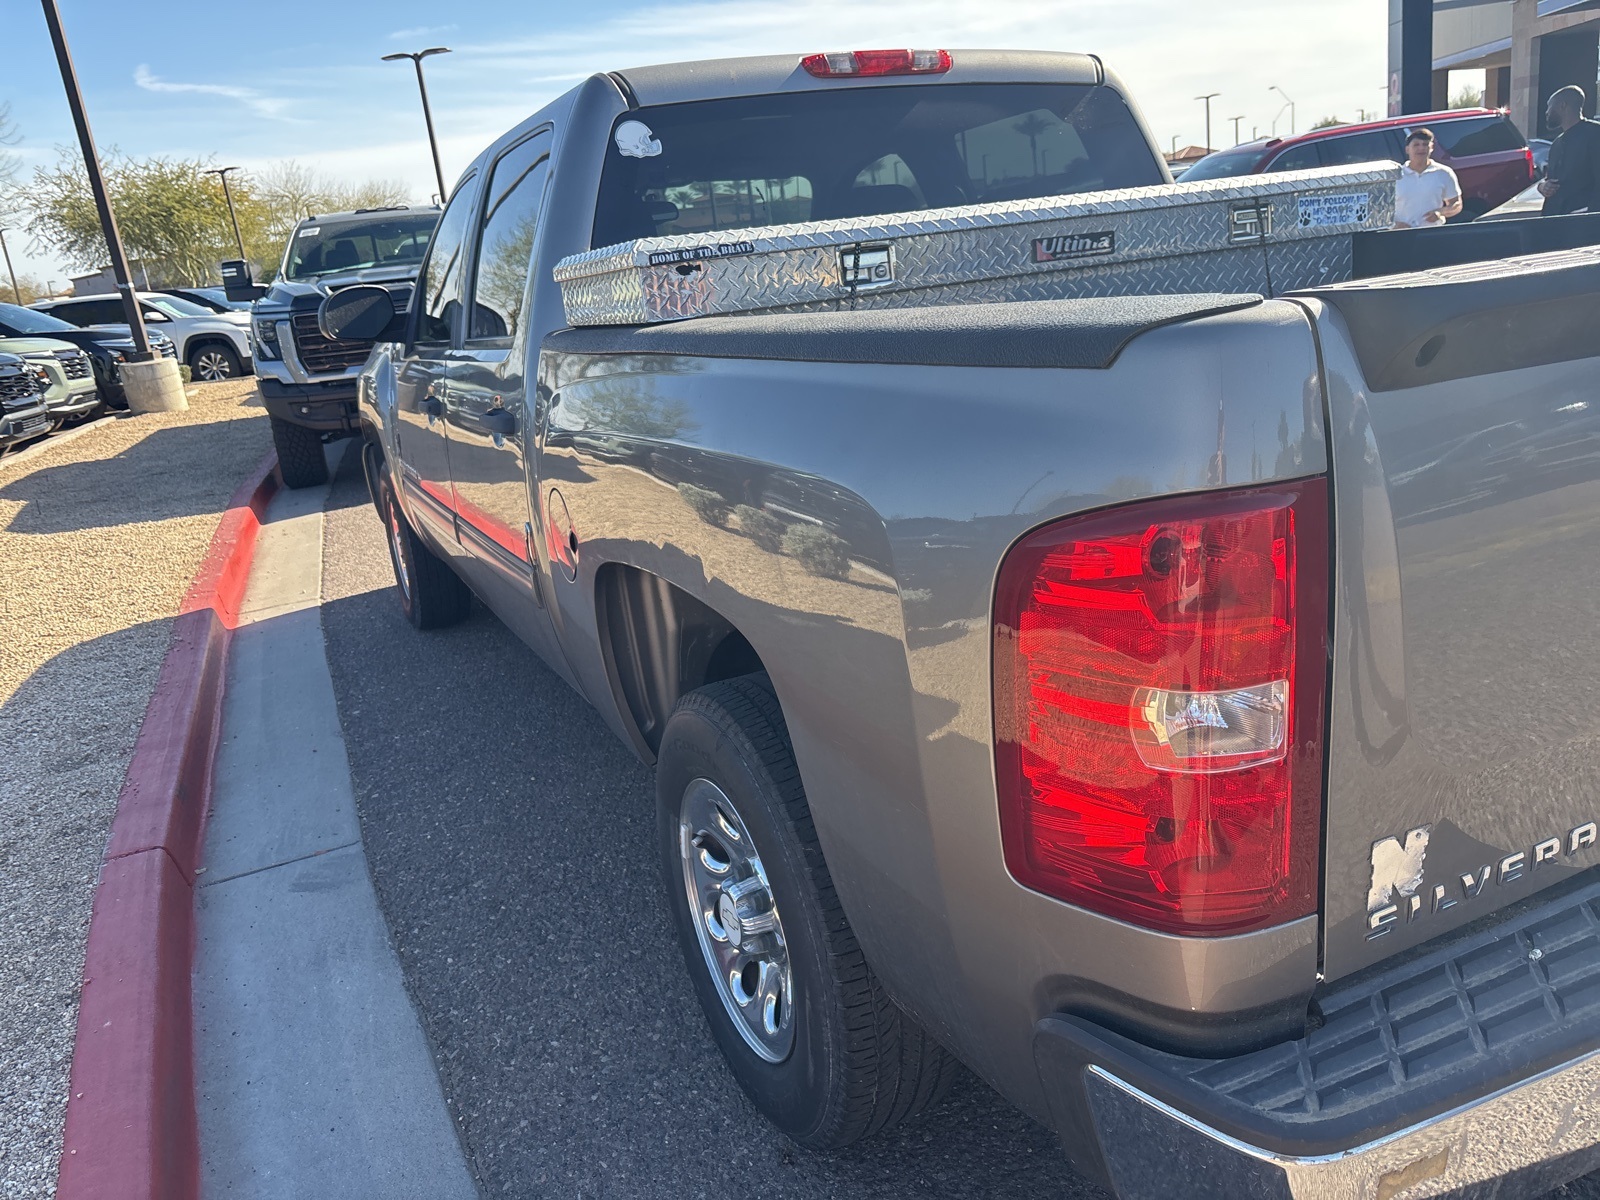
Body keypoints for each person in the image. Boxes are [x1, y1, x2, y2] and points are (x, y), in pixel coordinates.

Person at [1539, 85, 1600, 216]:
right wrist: (1543, 187)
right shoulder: (1557, 143)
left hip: (1584, 226)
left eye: (1550, 106)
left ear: (1562, 105)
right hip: (1556, 223)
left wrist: (1590, 213)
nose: (1547, 112)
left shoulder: (1595, 134)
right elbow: (1551, 181)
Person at [1393, 128, 1463, 229]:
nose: (1421, 148)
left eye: (1425, 144)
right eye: (1416, 145)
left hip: (1432, 233)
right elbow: (1379, 210)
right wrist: (1394, 225)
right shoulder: (1395, 176)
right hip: (1401, 234)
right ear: (1407, 149)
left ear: (1431, 148)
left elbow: (1456, 204)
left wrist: (1440, 212)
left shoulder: (1443, 173)